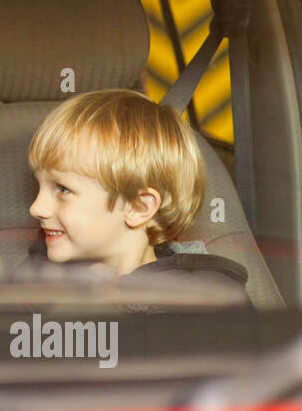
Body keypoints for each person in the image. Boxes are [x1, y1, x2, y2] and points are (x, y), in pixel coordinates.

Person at [15, 88, 250, 305]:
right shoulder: (34, 291)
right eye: (40, 186)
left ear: (138, 207)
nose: (36, 208)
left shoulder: (208, 300)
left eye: (63, 189)